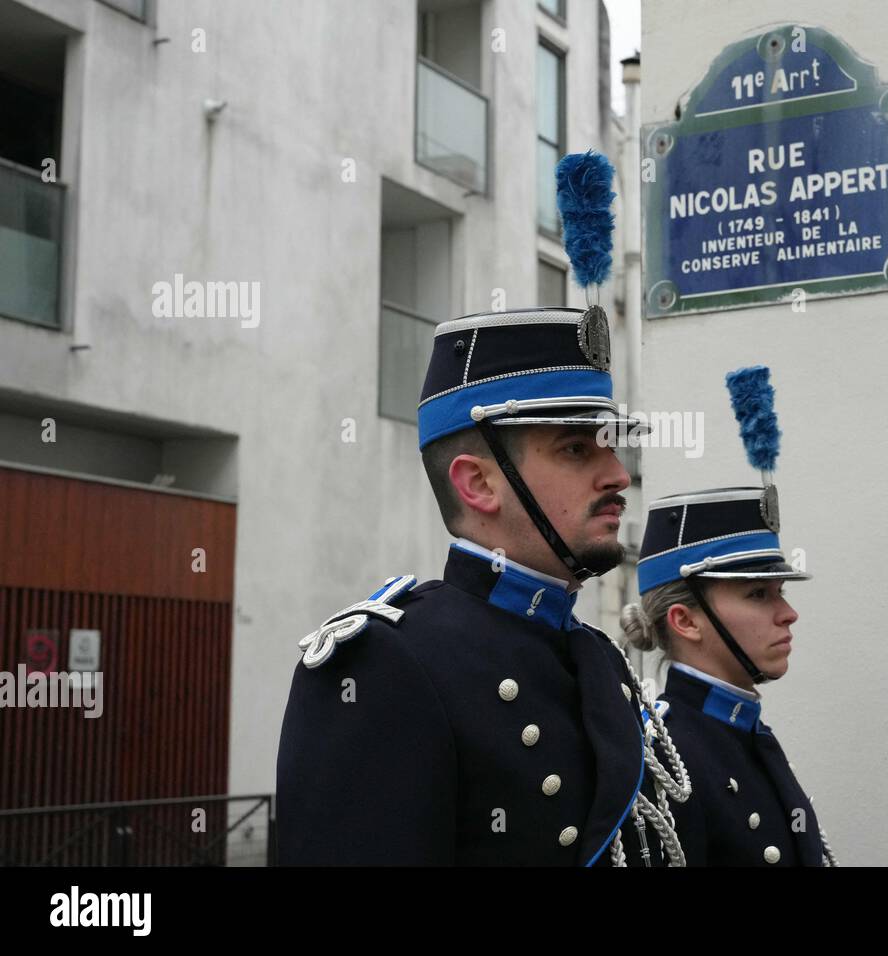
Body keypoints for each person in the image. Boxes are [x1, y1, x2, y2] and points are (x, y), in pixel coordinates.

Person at [275, 151, 691, 865]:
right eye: (574, 451)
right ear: (478, 484)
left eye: (612, 448)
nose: (618, 474)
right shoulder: (386, 664)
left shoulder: (596, 659)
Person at [620, 367, 838, 866]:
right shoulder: (665, 759)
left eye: (779, 591)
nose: (789, 614)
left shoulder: (745, 733)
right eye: (760, 595)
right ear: (685, 620)